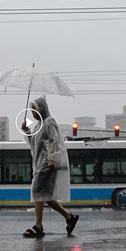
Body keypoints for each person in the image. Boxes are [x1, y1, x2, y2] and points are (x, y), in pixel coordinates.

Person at [21, 96, 79, 238]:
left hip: (46, 164)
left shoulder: (49, 122)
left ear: (41, 108)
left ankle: (38, 226)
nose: (32, 112)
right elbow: (34, 145)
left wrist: (52, 159)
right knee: (45, 196)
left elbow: (54, 140)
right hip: (40, 164)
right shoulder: (38, 125)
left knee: (37, 193)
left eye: (34, 109)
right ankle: (69, 217)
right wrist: (27, 131)